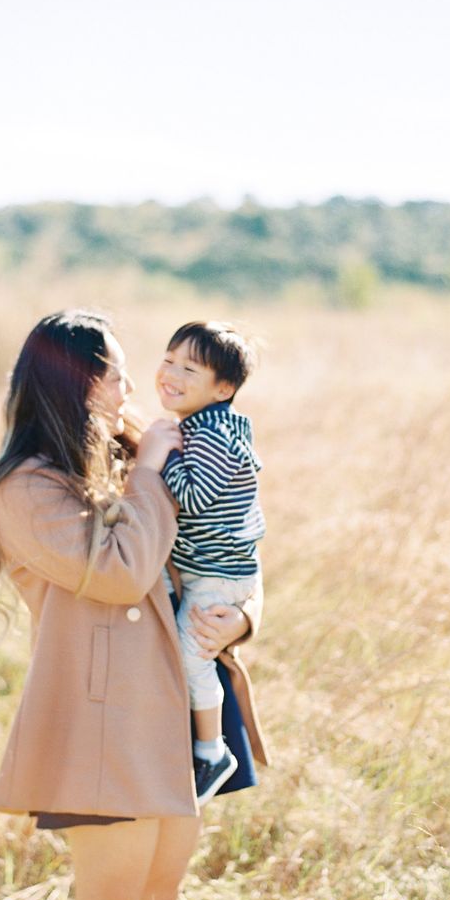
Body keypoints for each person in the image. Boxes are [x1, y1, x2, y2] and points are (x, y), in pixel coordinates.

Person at [0, 309, 265, 900]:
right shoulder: (26, 488)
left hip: (174, 703)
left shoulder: (137, 447)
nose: (135, 385)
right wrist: (148, 472)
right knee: (106, 896)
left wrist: (242, 620)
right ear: (77, 381)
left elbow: (231, 543)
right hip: (102, 716)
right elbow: (118, 573)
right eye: (115, 371)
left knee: (159, 890)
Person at [156, 321, 266, 805]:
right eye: (168, 358)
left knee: (190, 653)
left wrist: (158, 459)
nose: (171, 373)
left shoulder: (213, 434)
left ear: (224, 388)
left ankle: (211, 750)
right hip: (213, 569)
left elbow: (196, 498)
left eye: (189, 368)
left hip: (218, 576)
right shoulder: (201, 426)